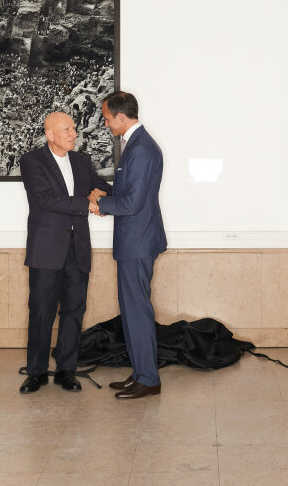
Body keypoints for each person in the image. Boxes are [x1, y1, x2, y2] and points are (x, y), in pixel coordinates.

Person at [19, 111, 112, 394]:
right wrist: (87, 204)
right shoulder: (32, 160)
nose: (74, 133)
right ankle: (36, 372)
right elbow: (46, 199)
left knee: (74, 311)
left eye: (74, 128)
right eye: (67, 129)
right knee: (41, 312)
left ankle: (66, 371)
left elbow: (100, 186)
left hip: (78, 248)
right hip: (46, 249)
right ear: (50, 134)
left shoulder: (82, 161)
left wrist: (101, 195)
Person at [89, 92, 167, 399]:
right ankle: (140, 374)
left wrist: (100, 206)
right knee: (132, 311)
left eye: (108, 118)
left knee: (137, 312)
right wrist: (105, 192)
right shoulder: (136, 145)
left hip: (138, 242)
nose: (106, 123)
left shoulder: (142, 149)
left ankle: (148, 379)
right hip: (134, 241)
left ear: (122, 117)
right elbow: (133, 192)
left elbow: (133, 203)